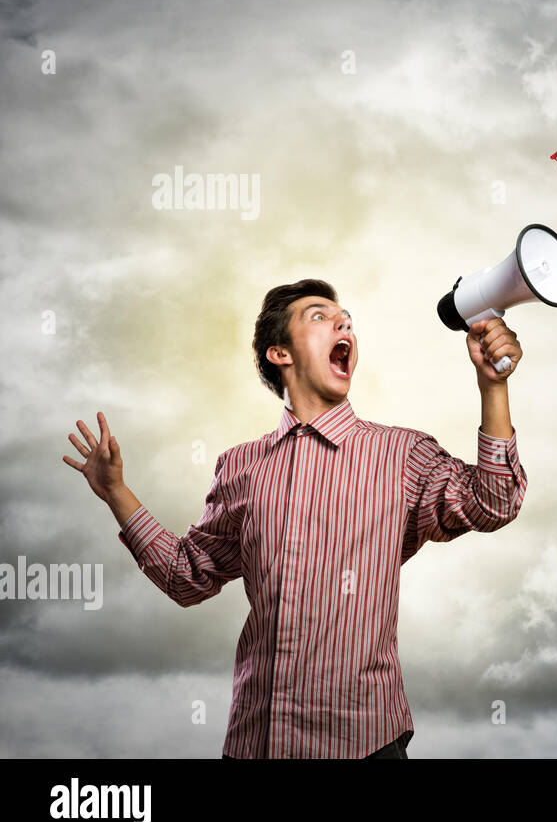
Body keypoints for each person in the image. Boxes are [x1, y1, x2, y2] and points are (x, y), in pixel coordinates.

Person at [61, 278, 527, 758]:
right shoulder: (239, 466)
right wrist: (115, 491)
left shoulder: (402, 455)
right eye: (320, 315)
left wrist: (493, 387)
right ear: (279, 353)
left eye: (346, 318)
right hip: (256, 745)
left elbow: (494, 501)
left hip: (366, 746)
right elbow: (186, 577)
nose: (343, 321)